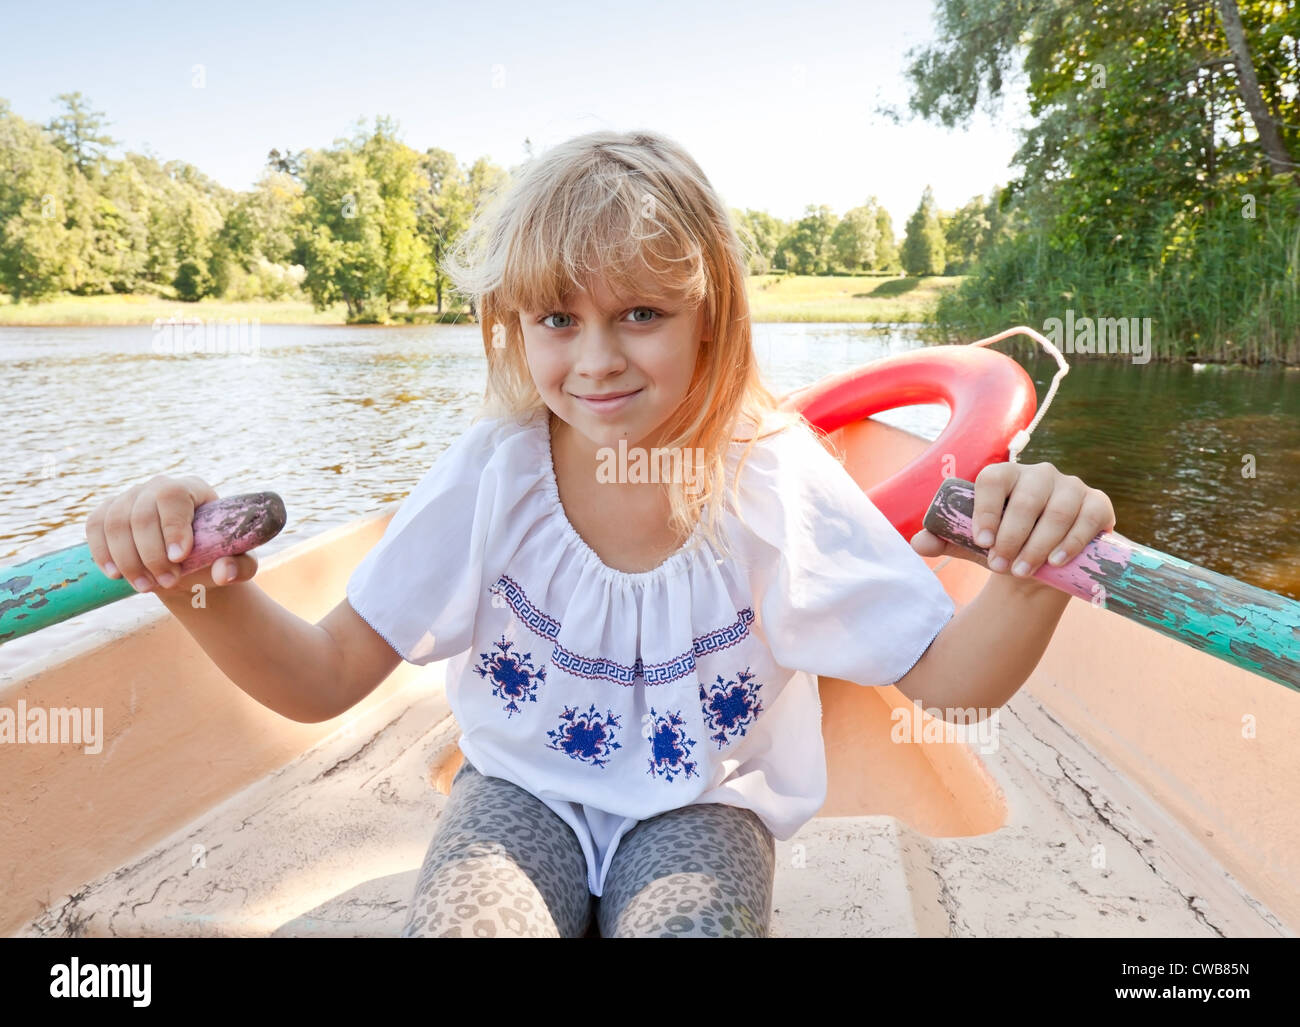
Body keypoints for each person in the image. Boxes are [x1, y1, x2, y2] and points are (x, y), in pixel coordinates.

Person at [83, 129, 1116, 938]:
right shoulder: (493, 470)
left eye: (641, 315)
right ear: (513, 325)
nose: (596, 360)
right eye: (556, 319)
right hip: (517, 786)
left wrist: (1030, 574)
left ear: (709, 317)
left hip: (708, 800)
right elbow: (325, 675)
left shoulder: (774, 472)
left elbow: (947, 685)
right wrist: (195, 587)